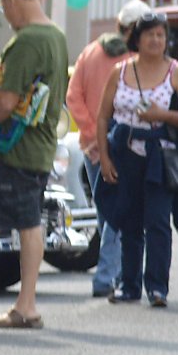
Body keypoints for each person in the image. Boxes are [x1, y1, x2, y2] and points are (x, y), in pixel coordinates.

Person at [0, 0, 70, 329]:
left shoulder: (27, 41)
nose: (6, 15)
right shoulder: (57, 36)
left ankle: (26, 304)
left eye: (3, 7)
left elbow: (8, 100)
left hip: (18, 146)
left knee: (28, 222)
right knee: (31, 220)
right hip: (42, 143)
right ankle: (25, 302)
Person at [94, 12, 178, 307]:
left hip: (160, 154)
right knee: (127, 220)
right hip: (124, 151)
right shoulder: (120, 71)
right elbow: (103, 117)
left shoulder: (176, 72)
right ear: (136, 39)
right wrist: (104, 157)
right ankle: (128, 285)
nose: (156, 40)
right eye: (150, 34)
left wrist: (161, 115)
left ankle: (157, 287)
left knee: (157, 221)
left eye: (161, 35)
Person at [66, 23, 132, 297]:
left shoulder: (89, 52)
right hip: (121, 143)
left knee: (105, 211)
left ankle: (111, 273)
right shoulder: (133, 61)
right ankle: (108, 276)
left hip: (91, 146)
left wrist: (92, 134)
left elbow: (73, 97)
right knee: (118, 212)